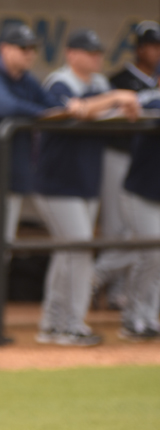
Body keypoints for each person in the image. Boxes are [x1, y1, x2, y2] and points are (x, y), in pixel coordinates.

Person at [0, 25, 137, 348]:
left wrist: (67, 108)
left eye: (32, 49)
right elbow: (9, 107)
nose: (28, 54)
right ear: (5, 48)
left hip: (12, 177)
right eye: (22, 48)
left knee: (2, 253)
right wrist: (52, 111)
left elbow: (59, 104)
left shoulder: (26, 81)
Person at [33, 29, 141, 347]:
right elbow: (74, 109)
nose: (96, 57)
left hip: (86, 179)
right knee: (78, 250)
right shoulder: (59, 81)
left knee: (67, 253)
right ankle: (71, 324)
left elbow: (106, 110)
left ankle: (52, 324)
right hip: (56, 182)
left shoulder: (98, 85)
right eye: (89, 51)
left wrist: (120, 105)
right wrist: (116, 98)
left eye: (98, 52)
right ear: (71, 53)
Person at [93, 20, 160, 311]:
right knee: (119, 232)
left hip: (146, 167)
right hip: (119, 157)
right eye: (153, 46)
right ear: (140, 48)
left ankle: (128, 298)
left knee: (143, 242)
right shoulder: (122, 82)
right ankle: (104, 286)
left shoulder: (150, 87)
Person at [117, 77, 160, 342]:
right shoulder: (148, 98)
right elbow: (137, 108)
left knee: (156, 258)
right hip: (139, 194)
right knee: (151, 254)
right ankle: (132, 317)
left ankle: (148, 316)